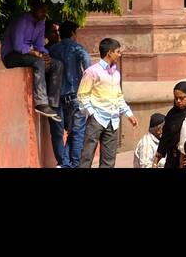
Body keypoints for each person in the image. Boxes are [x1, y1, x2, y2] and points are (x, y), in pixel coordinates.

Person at [76, 37, 138, 168]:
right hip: (96, 118)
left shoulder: (116, 74)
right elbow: (82, 94)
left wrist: (128, 114)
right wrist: (92, 113)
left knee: (109, 160)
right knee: (86, 157)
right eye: (118, 51)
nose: (119, 54)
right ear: (109, 52)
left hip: (113, 120)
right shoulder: (92, 71)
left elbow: (119, 96)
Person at [0, 1, 60, 119]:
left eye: (45, 10)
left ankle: (52, 103)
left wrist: (44, 53)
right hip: (11, 55)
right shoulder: (22, 21)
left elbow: (39, 45)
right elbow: (18, 46)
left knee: (57, 65)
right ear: (33, 8)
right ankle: (41, 103)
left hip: (29, 54)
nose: (44, 13)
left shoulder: (41, 23)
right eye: (41, 10)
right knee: (38, 62)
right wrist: (35, 53)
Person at [47, 20, 91, 168]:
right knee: (77, 131)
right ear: (73, 34)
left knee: (58, 133)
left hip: (56, 97)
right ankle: (74, 163)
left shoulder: (53, 50)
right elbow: (88, 67)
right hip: (75, 96)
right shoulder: (77, 48)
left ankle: (63, 163)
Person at [156, 81, 186, 169]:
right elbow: (165, 137)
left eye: (182, 98)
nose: (178, 101)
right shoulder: (172, 114)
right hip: (172, 158)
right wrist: (155, 162)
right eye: (176, 98)